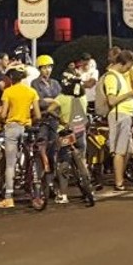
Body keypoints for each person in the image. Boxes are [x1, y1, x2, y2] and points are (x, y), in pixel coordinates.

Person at [0, 65, 41, 209]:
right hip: (27, 128)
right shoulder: (32, 92)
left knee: (10, 163)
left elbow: (3, 114)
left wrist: (0, 119)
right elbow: (38, 115)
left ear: (11, 79)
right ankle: (33, 188)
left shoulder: (8, 92)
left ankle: (9, 197)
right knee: (29, 157)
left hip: (12, 128)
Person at [104, 48, 133, 192]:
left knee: (127, 150)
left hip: (124, 114)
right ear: (122, 63)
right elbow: (112, 100)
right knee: (120, 151)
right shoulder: (111, 77)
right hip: (119, 114)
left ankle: (120, 178)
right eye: (129, 67)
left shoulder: (118, 75)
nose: (129, 70)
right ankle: (119, 183)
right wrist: (130, 94)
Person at [53, 71, 89, 203]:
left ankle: (63, 195)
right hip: (80, 131)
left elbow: (51, 109)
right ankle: (87, 187)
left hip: (66, 133)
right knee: (82, 160)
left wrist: (59, 119)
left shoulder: (62, 98)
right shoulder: (83, 97)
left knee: (64, 163)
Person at [31, 54, 63, 198]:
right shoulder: (34, 83)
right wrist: (52, 101)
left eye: (49, 67)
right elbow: (39, 102)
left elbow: (61, 100)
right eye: (44, 68)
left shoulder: (56, 83)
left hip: (55, 120)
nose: (47, 70)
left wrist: (50, 101)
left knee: (53, 152)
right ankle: (39, 185)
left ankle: (51, 184)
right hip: (43, 121)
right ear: (39, 69)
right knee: (41, 151)